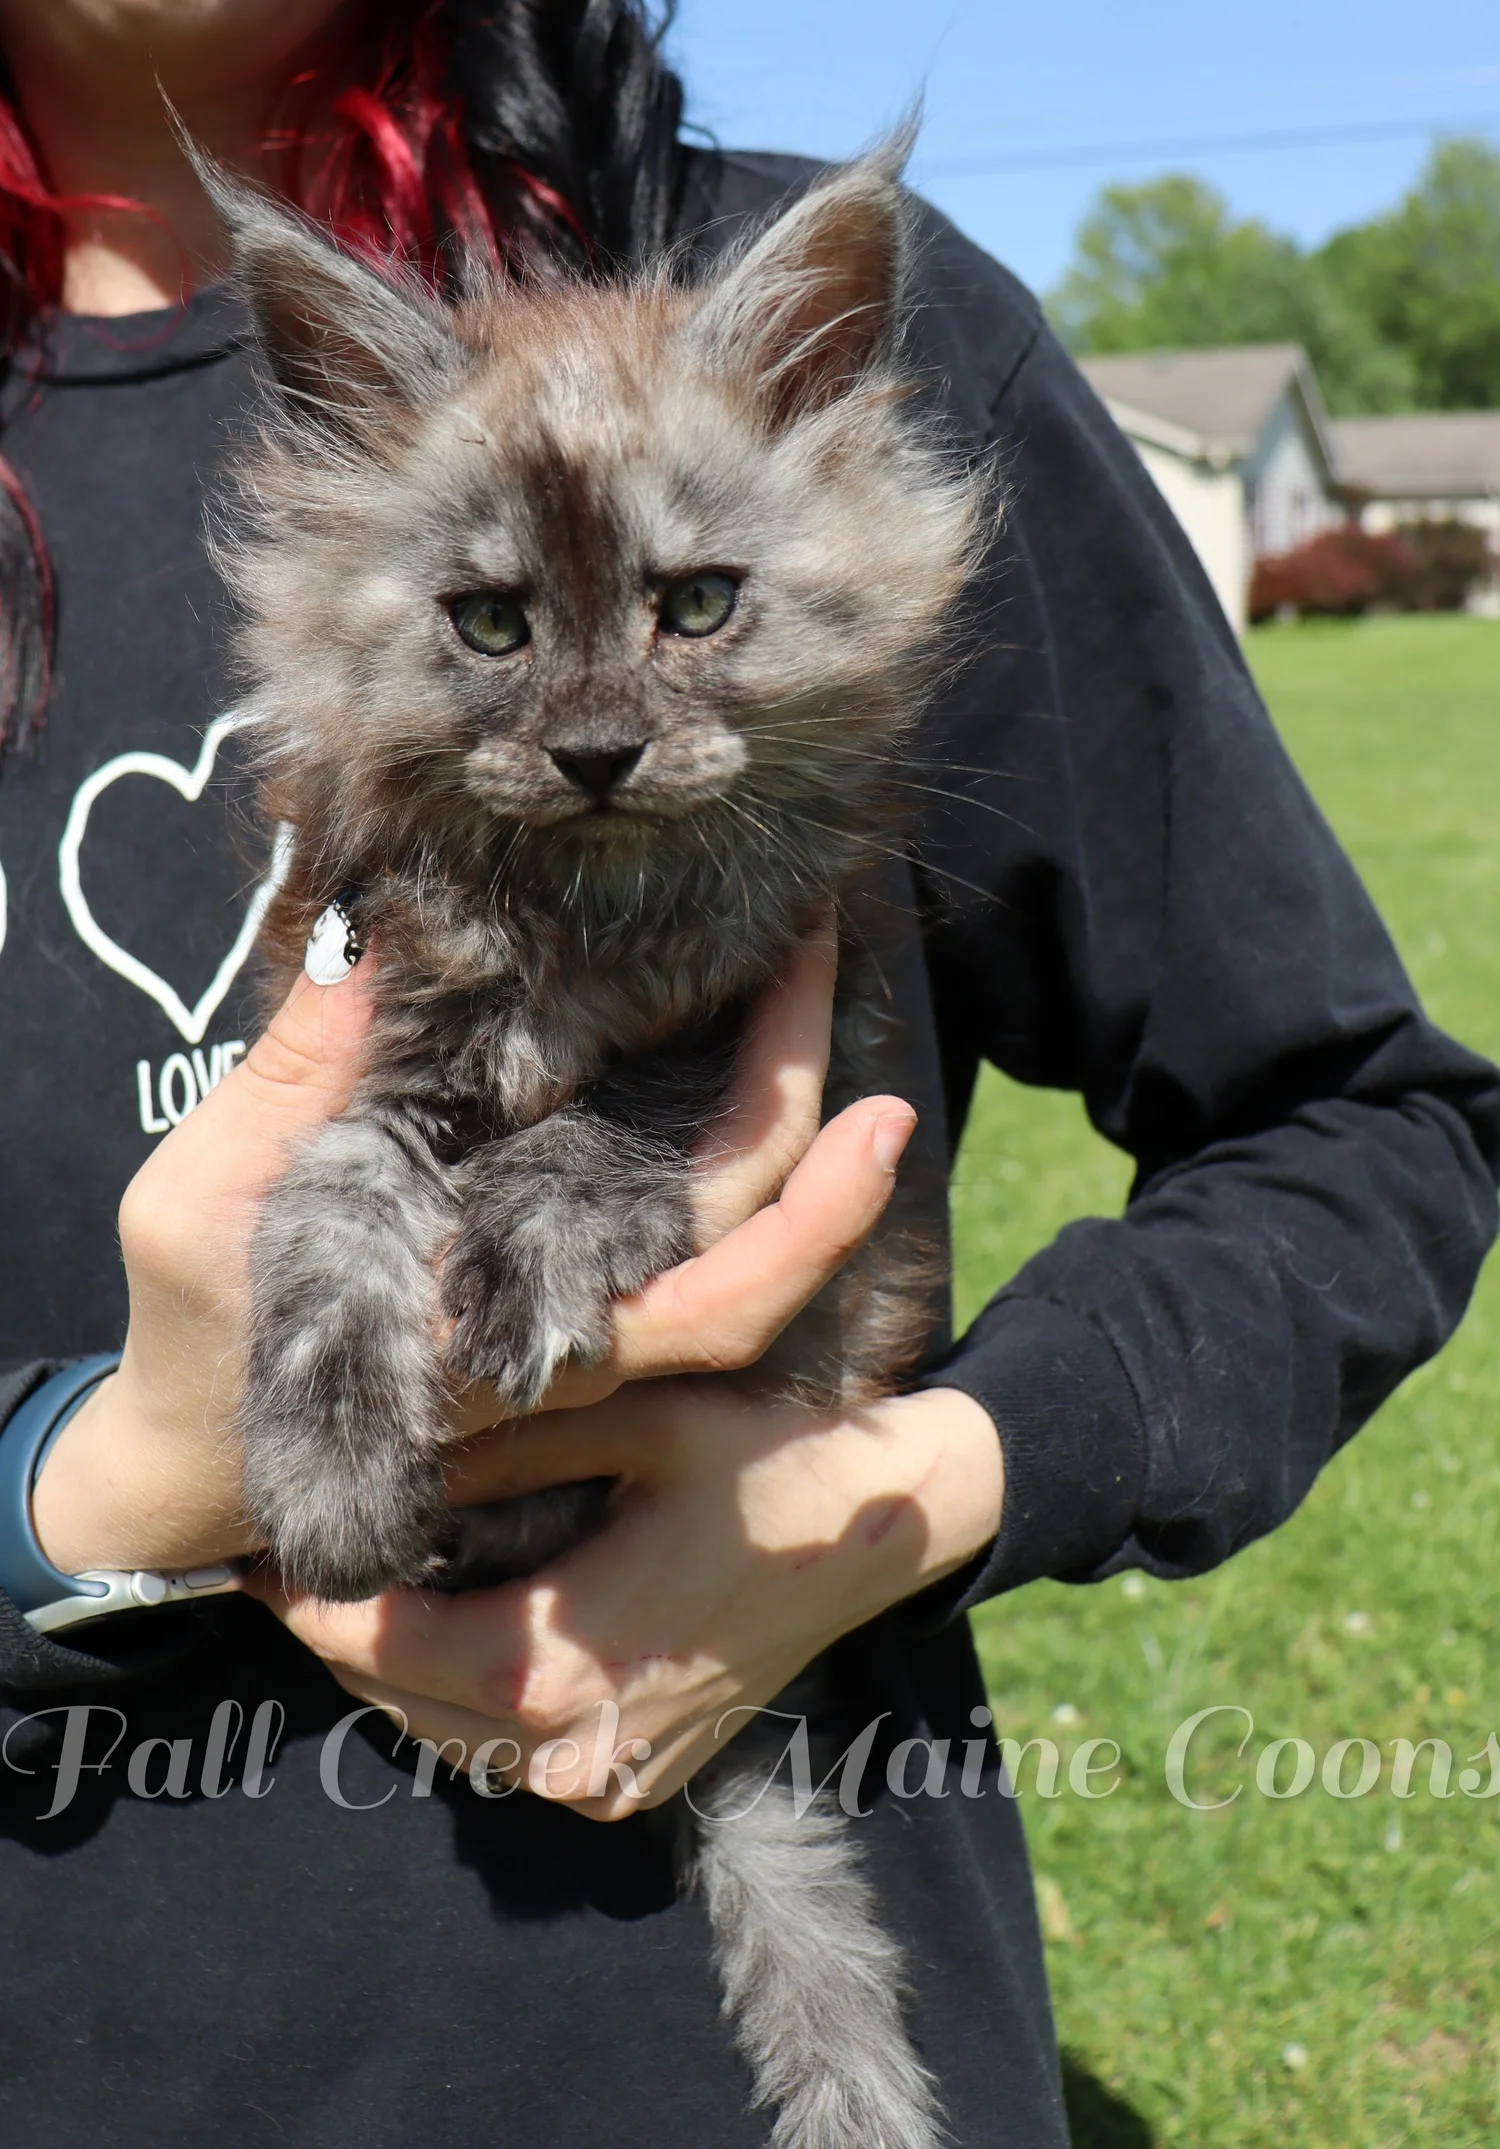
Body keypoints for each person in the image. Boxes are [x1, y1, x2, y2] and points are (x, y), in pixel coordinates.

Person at [0, 3, 1494, 2143]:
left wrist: (896, 1496)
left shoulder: (836, 314)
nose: (603, 725)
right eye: (503, 630)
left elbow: (1369, 1129)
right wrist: (90, 1490)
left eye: (693, 613)